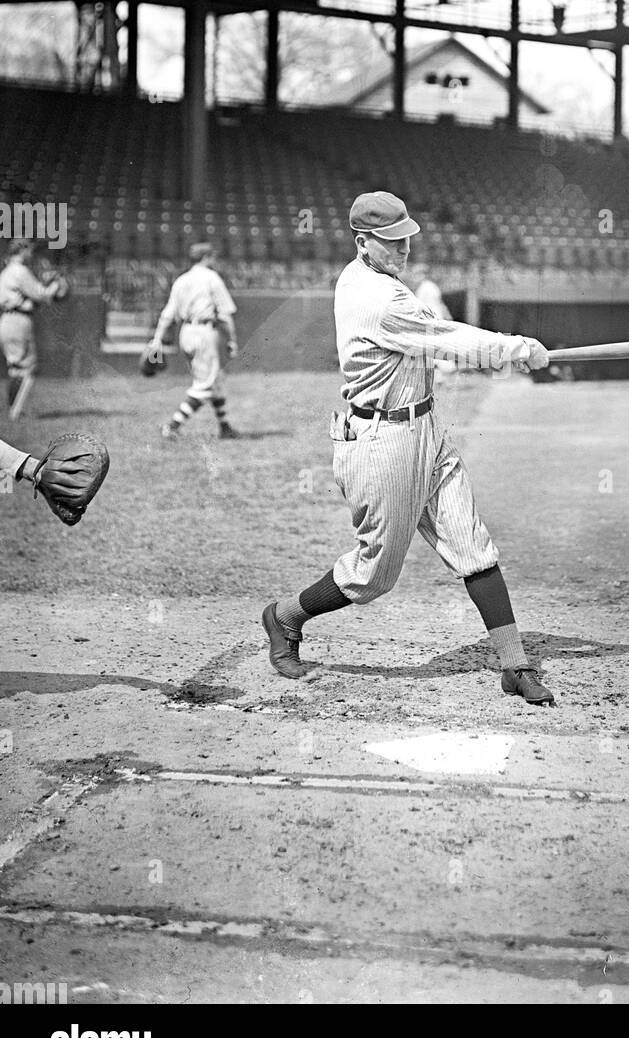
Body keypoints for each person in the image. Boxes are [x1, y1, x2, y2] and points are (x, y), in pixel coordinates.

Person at [262, 190, 556, 706]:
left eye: (406, 240)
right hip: (382, 442)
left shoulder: (382, 279)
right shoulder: (376, 297)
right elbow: (442, 338)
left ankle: (516, 665)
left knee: (474, 547)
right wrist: (516, 348)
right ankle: (285, 615)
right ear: (362, 242)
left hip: (425, 431)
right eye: (390, 242)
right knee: (374, 576)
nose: (403, 251)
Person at [147, 242, 240, 439]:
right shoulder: (211, 278)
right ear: (206, 257)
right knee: (205, 384)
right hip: (204, 332)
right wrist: (232, 340)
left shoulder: (181, 280)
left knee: (214, 380)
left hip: (186, 332)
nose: (213, 260)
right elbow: (225, 313)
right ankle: (173, 425)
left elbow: (168, 314)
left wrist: (156, 340)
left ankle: (225, 427)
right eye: (211, 256)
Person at [0, 241, 68, 419]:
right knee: (29, 369)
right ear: (21, 250)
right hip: (19, 320)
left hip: (6, 319)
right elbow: (41, 294)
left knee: (15, 368)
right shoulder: (20, 271)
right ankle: (17, 412)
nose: (31, 253)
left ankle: (12, 409)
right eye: (28, 249)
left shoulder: (6, 271)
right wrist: (55, 284)